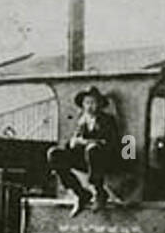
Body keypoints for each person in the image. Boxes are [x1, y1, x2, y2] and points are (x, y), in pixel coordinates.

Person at [47, 86, 120, 214]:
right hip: (85, 159)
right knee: (54, 154)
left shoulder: (108, 120)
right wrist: (72, 143)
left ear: (100, 105)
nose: (89, 106)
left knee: (93, 149)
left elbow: (112, 143)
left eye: (93, 102)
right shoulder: (82, 121)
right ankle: (80, 193)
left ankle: (99, 192)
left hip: (105, 160)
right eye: (86, 103)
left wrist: (87, 142)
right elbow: (73, 142)